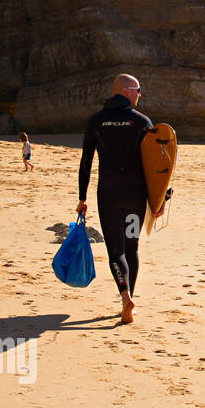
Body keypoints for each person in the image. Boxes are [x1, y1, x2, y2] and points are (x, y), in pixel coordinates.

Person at [76, 74, 154, 324]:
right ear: (127, 91)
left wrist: (82, 197)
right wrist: (159, 199)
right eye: (138, 90)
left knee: (115, 250)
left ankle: (124, 295)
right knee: (132, 246)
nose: (140, 94)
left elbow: (86, 161)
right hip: (135, 195)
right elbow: (157, 165)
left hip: (109, 194)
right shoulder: (141, 122)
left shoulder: (96, 121)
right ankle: (131, 297)